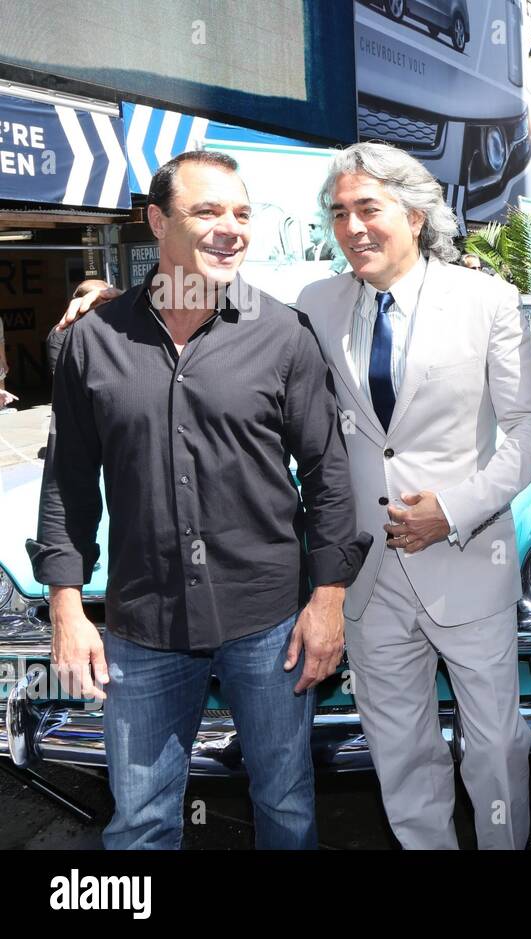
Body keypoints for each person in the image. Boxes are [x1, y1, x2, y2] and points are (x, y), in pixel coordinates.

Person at [27, 150, 372, 849]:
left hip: (269, 621)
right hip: (143, 622)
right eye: (207, 211)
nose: (230, 228)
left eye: (242, 213)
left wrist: (328, 600)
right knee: (141, 820)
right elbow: (67, 482)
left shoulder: (283, 335)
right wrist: (66, 605)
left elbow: (328, 474)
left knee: (285, 803)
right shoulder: (94, 341)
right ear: (158, 221)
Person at [298, 143, 531, 849]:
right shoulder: (316, 302)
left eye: (367, 209)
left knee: (496, 746)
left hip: (466, 560)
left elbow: (526, 432)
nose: (352, 227)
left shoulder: (487, 300)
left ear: (413, 212)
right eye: (339, 212)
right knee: (400, 753)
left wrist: (456, 509)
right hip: (368, 576)